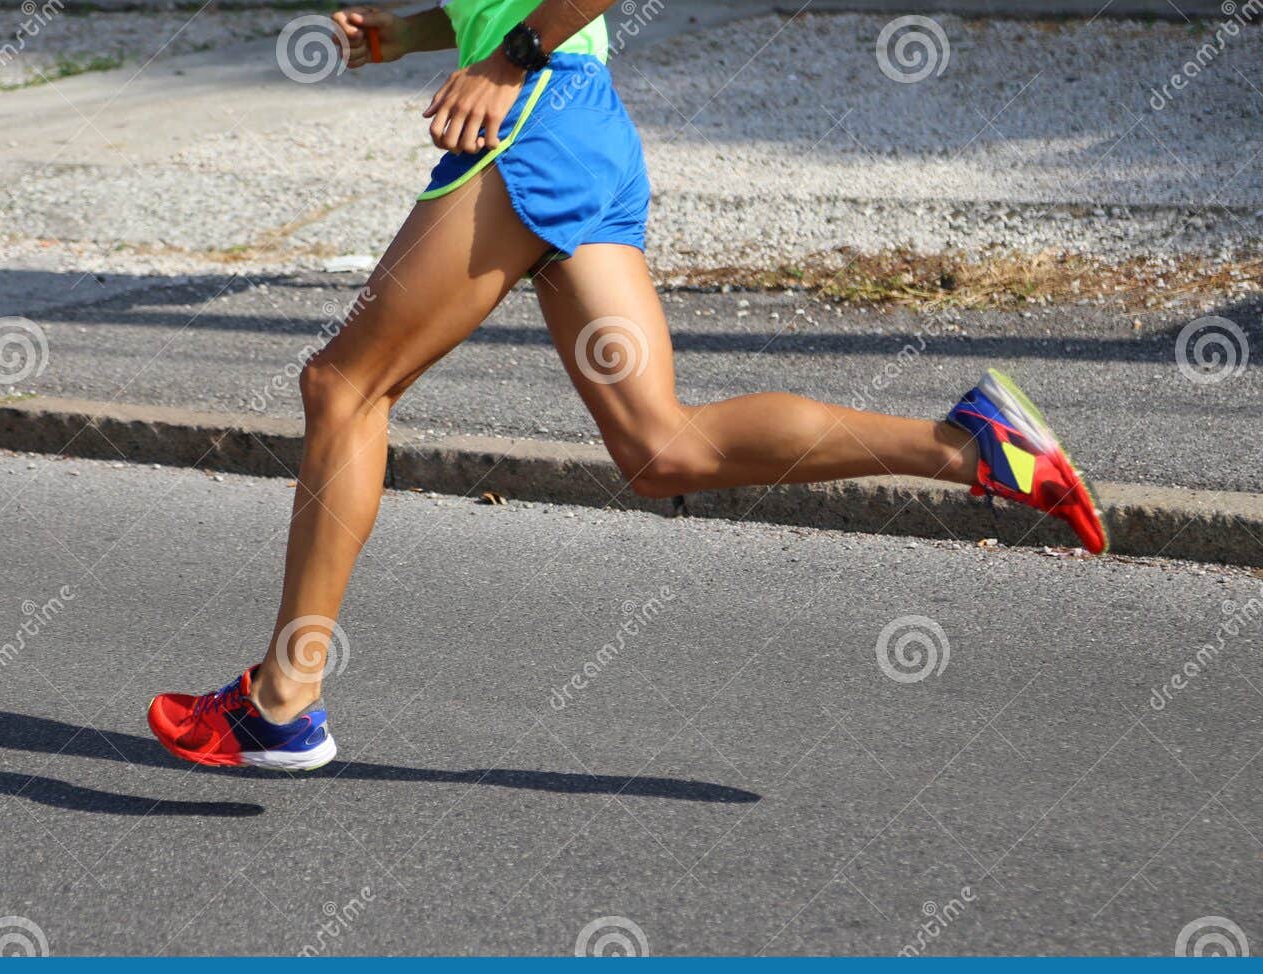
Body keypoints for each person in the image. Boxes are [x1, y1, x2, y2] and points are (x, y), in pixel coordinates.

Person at [147, 0, 1107, 771]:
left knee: (342, 387)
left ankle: (285, 700)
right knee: (662, 449)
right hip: (584, 126)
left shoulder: (521, 70)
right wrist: (418, 31)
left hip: (533, 118)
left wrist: (510, 56)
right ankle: (974, 444)